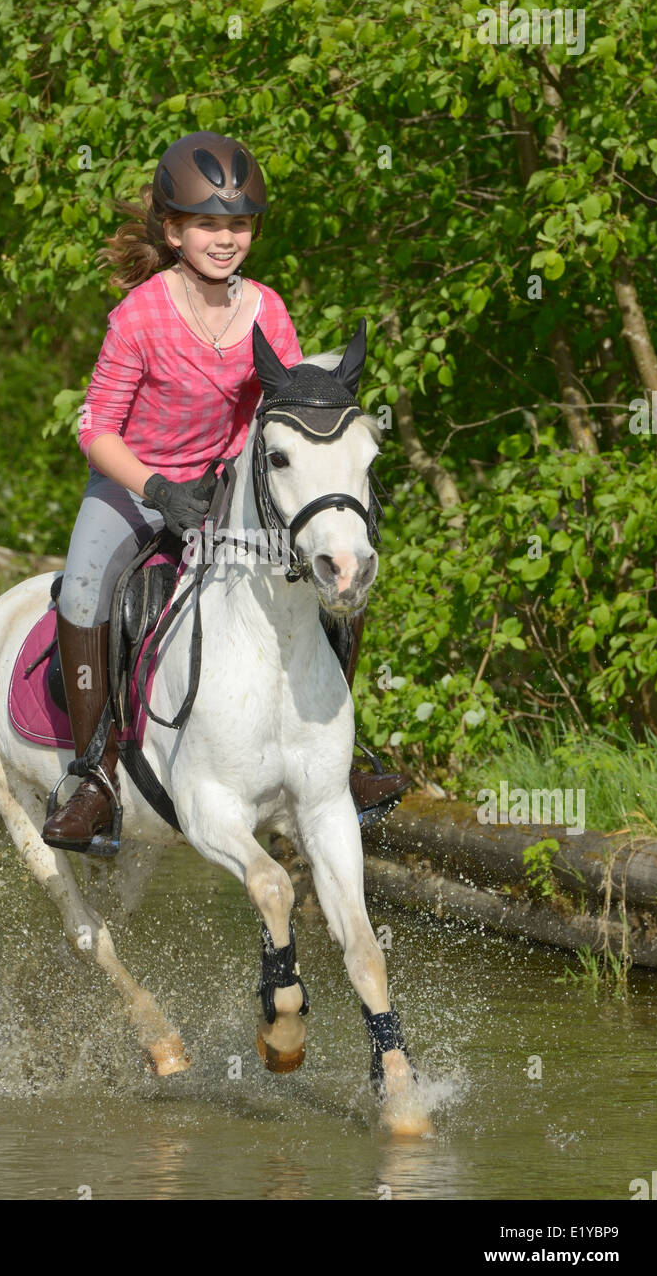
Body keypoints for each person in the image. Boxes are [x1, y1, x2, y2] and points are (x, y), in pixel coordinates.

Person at [42, 131, 409, 854]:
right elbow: (96, 429)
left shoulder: (268, 310)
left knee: (330, 571)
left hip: (231, 490)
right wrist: (156, 487)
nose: (225, 237)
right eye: (208, 224)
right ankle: (94, 777)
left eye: (238, 224)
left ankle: (337, 762)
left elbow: (289, 414)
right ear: (173, 230)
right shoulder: (139, 316)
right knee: (85, 589)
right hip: (135, 484)